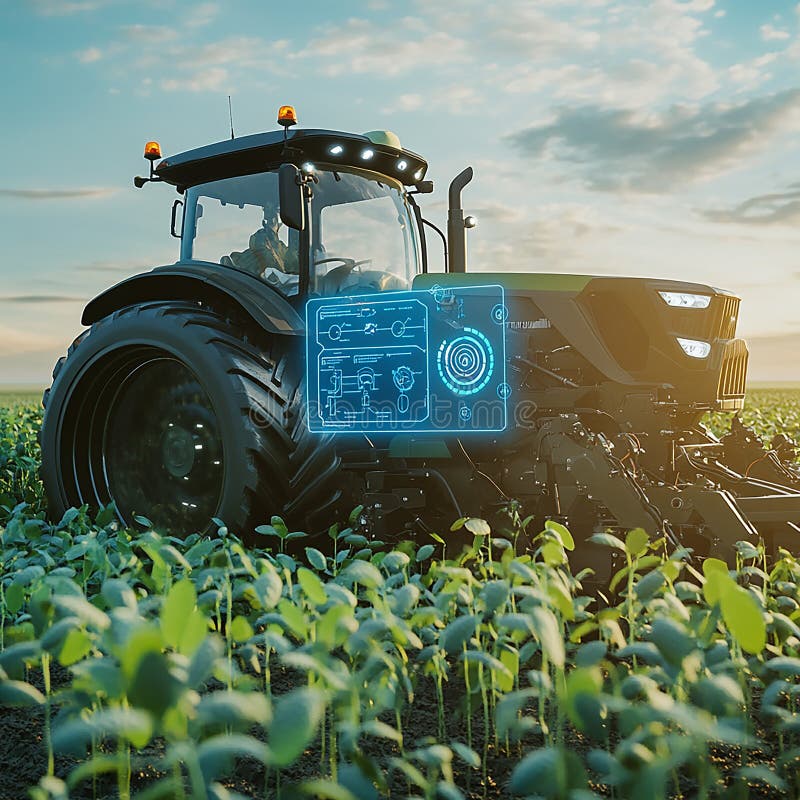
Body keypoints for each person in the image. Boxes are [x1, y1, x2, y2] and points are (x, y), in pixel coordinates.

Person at [221, 204, 298, 280]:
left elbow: (294, 268)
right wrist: (271, 233)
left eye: (276, 211)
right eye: (268, 211)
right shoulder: (254, 249)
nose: (272, 217)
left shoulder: (284, 250)